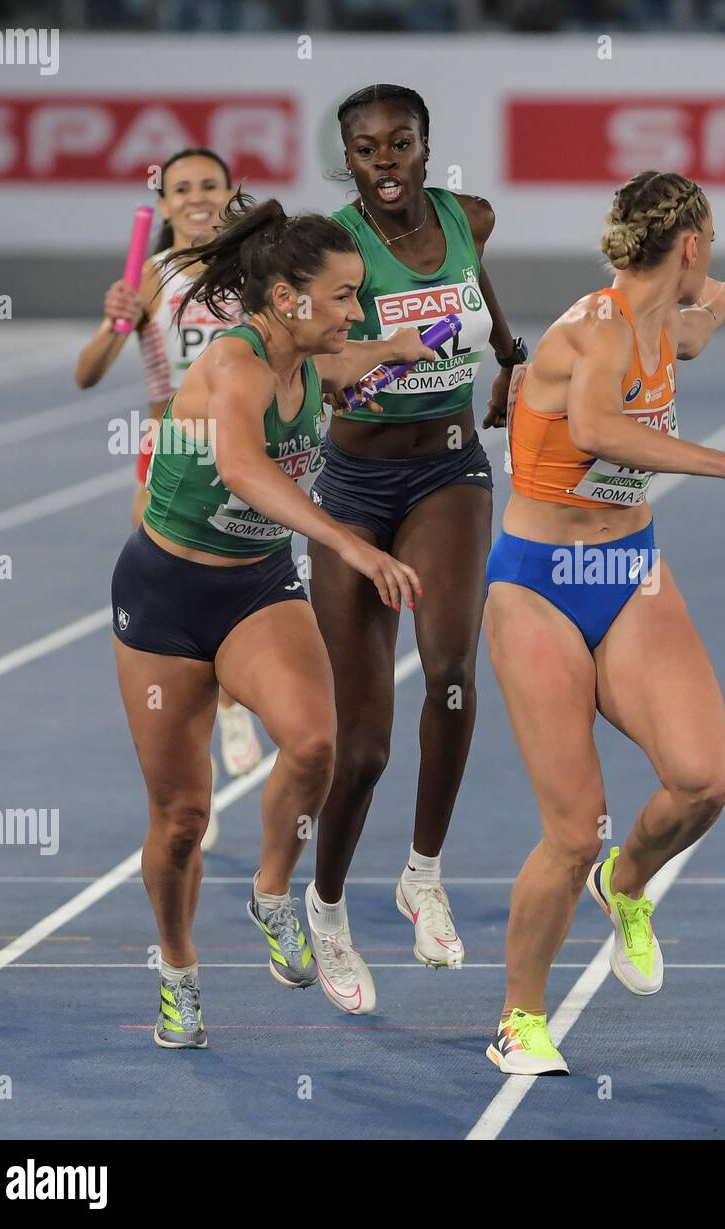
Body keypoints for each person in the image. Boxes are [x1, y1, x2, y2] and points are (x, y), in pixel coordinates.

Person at [485, 171, 725, 1074]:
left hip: (629, 573)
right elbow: (597, 427)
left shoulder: (657, 322)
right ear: (688, 246)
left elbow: (685, 339)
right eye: (706, 248)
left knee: (703, 780)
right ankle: (520, 1017)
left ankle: (626, 883)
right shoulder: (595, 329)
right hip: (541, 585)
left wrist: (710, 314)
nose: (707, 261)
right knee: (570, 828)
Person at [109, 192, 434, 1047]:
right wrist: (354, 547)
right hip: (166, 600)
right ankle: (178, 974)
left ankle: (270, 892)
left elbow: (360, 357)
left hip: (255, 590)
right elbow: (247, 471)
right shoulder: (233, 365)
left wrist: (405, 346)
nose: (354, 310)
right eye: (342, 296)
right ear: (288, 299)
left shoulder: (315, 361)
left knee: (317, 742)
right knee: (180, 821)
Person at [304, 84, 520, 1011]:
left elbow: (483, 306)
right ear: (347, 160)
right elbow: (314, 352)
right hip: (354, 490)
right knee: (360, 750)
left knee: (452, 673)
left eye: (399, 144)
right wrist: (343, 377)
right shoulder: (335, 246)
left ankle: (423, 874)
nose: (384, 161)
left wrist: (509, 361)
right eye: (365, 148)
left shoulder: (470, 217)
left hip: (448, 471)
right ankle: (327, 909)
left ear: (427, 149)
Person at [77, 150, 265, 833]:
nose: (195, 198)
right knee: (168, 621)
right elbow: (87, 374)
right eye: (180, 189)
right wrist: (115, 321)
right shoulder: (150, 279)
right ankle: (195, 780)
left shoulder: (255, 273)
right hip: (170, 453)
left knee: (240, 598)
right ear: (162, 206)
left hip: (248, 454)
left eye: (208, 186)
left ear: (230, 193)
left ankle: (235, 704)